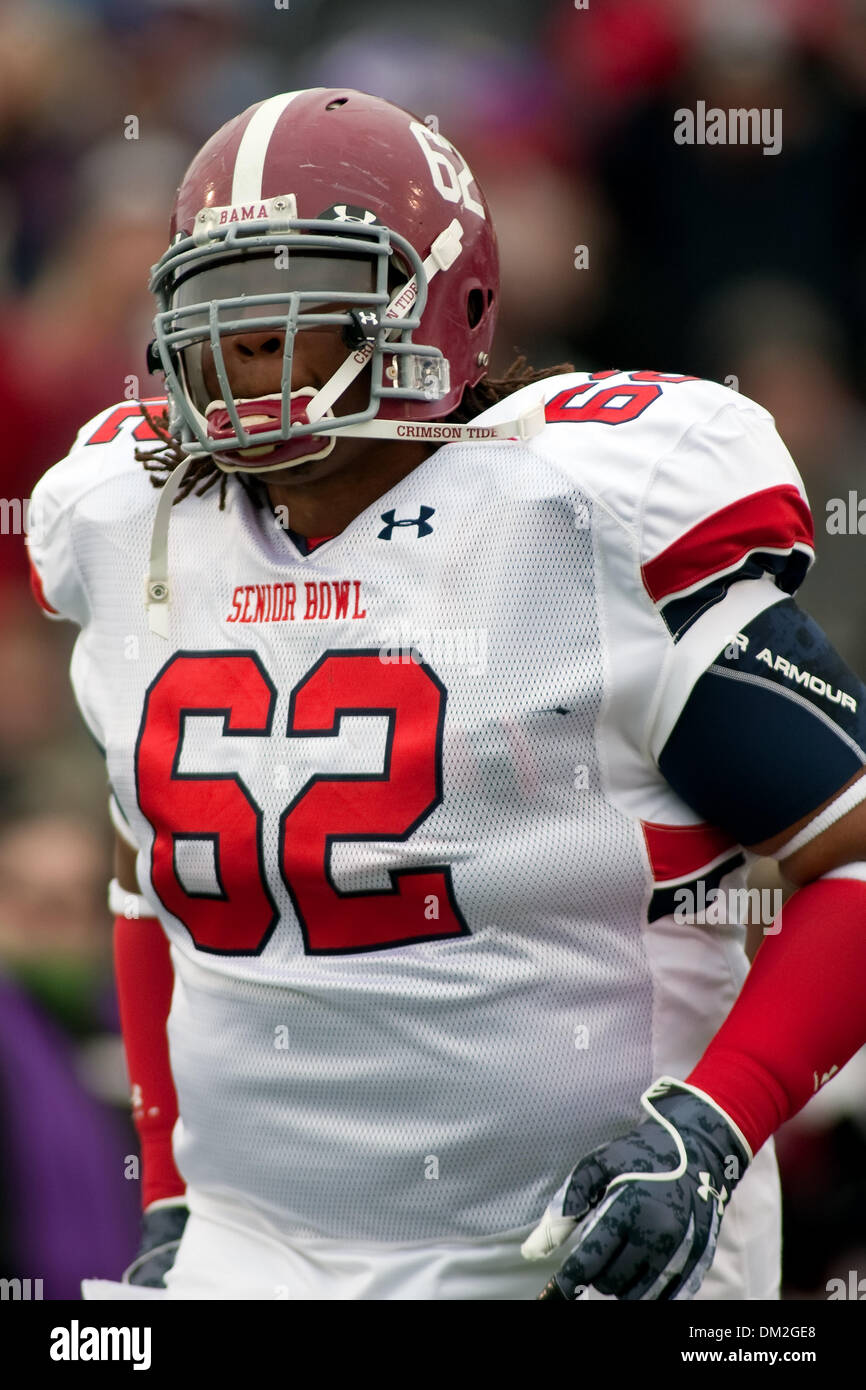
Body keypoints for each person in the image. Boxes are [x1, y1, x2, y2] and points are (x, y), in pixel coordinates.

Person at [27, 88, 866, 1301]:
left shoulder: (582, 514)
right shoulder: (127, 521)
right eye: (219, 298)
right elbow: (150, 889)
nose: (248, 340)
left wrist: (710, 1127)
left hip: (576, 1254)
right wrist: (169, 1190)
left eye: (302, 290)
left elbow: (848, 857)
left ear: (445, 307)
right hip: (249, 1258)